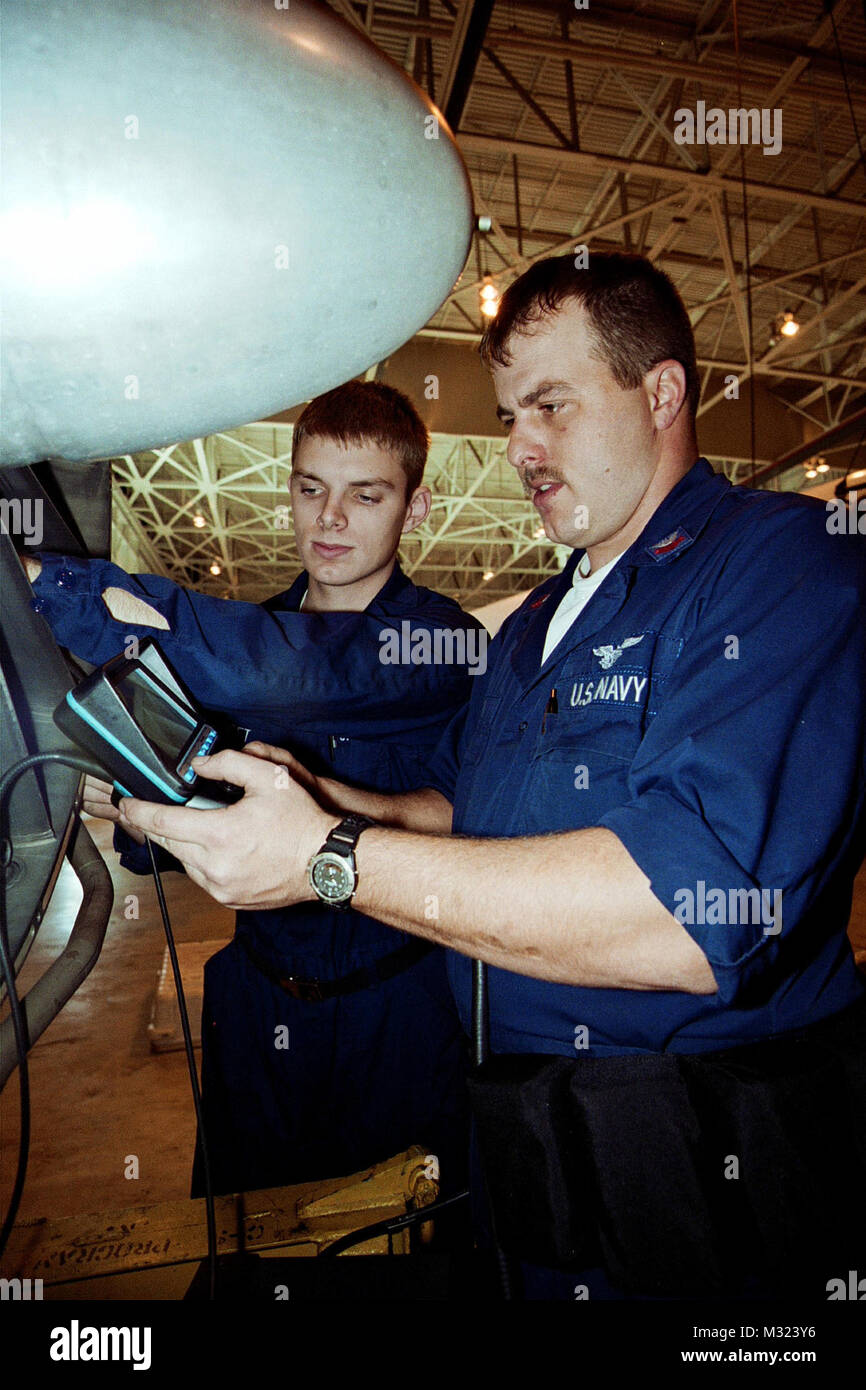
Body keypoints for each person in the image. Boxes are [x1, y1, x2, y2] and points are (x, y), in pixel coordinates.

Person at [116, 253, 866, 1299]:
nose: (517, 445)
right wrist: (304, 801)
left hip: (700, 1199)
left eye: (549, 405)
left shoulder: (781, 565)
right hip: (532, 1180)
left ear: (660, 393)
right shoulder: (529, 638)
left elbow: (686, 913)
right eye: (511, 415)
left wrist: (327, 856)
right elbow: (458, 815)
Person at [25, 379, 486, 1200]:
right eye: (311, 489)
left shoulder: (443, 643)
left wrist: (40, 580)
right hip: (259, 1008)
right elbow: (176, 834)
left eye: (365, 495)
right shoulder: (240, 652)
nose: (330, 519)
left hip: (403, 1012)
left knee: (408, 1253)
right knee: (244, 1244)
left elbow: (302, 670)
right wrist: (135, 811)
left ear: (414, 510)